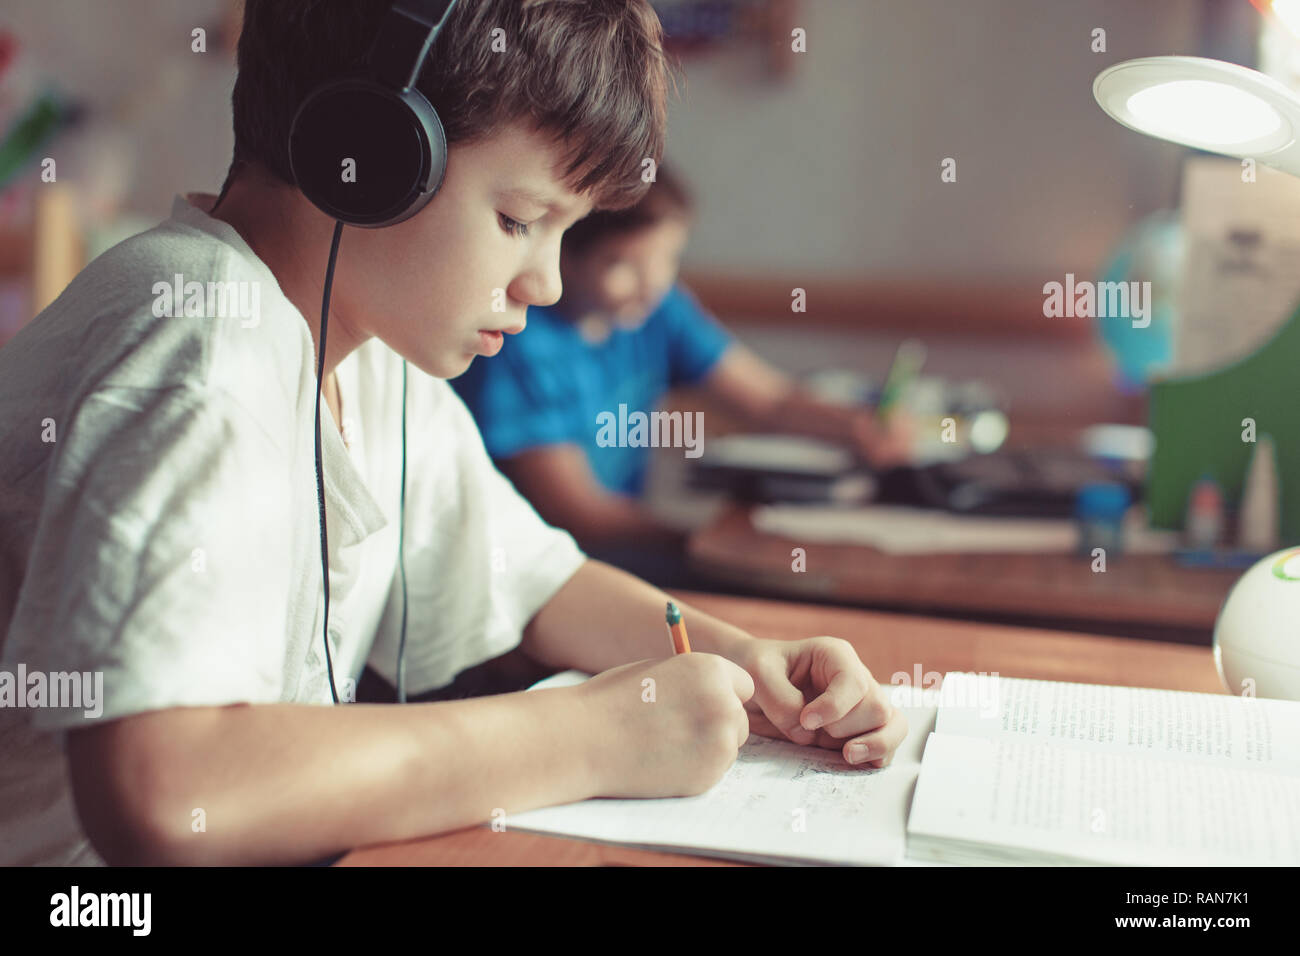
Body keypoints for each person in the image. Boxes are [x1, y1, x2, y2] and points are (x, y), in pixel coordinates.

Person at [0, 0, 905, 866]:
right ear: (368, 155)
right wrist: (588, 737)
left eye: (566, 231)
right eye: (518, 220)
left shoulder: (372, 356)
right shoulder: (204, 342)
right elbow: (166, 792)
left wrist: (749, 665)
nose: (545, 283)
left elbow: (536, 583)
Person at [452, 163, 912, 582]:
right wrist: (710, 539)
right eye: (621, 265)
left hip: (618, 547)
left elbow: (769, 399)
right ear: (563, 252)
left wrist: (856, 427)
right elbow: (578, 513)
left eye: (667, 261)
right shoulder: (520, 348)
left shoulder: (656, 310)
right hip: (547, 564)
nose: (653, 284)